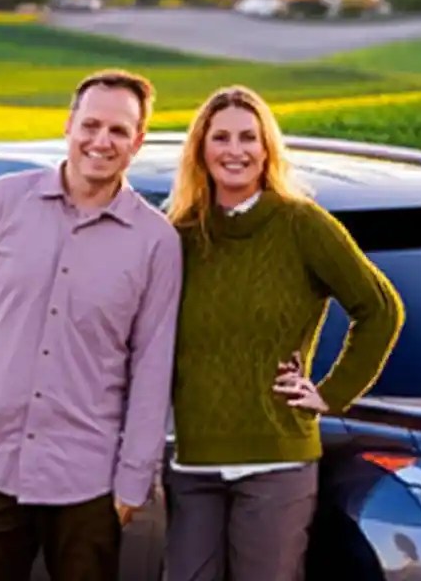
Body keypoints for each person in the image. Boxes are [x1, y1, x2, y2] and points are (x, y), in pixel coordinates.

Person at [0, 69, 183, 581]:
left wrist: (134, 479)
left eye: (118, 131)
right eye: (91, 125)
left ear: (138, 142)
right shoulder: (0, 204)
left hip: (90, 488)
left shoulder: (156, 242)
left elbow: (153, 369)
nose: (101, 141)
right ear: (69, 125)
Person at [162, 85, 406, 581]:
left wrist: (331, 395)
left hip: (275, 462)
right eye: (221, 137)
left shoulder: (301, 225)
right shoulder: (179, 235)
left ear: (267, 148)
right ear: (201, 150)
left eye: (248, 137)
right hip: (191, 462)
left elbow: (379, 309)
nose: (235, 151)